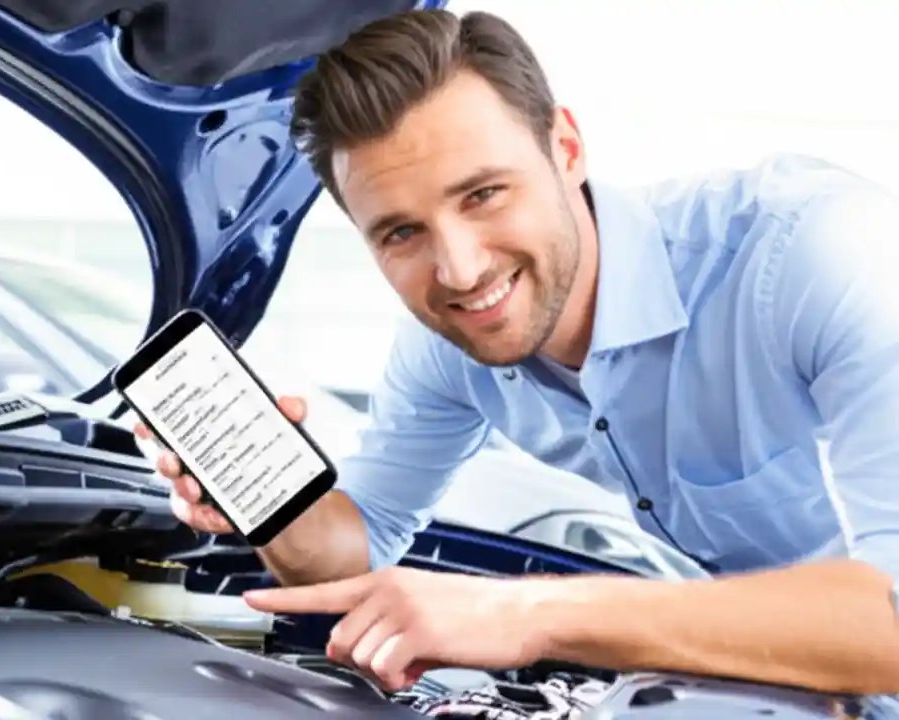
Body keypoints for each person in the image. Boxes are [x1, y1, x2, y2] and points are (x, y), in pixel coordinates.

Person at [134, 7, 899, 710]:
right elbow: (354, 553)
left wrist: (528, 615)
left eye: (483, 194)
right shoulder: (447, 347)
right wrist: (270, 493)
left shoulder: (818, 257)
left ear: (566, 148)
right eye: (401, 233)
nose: (460, 270)